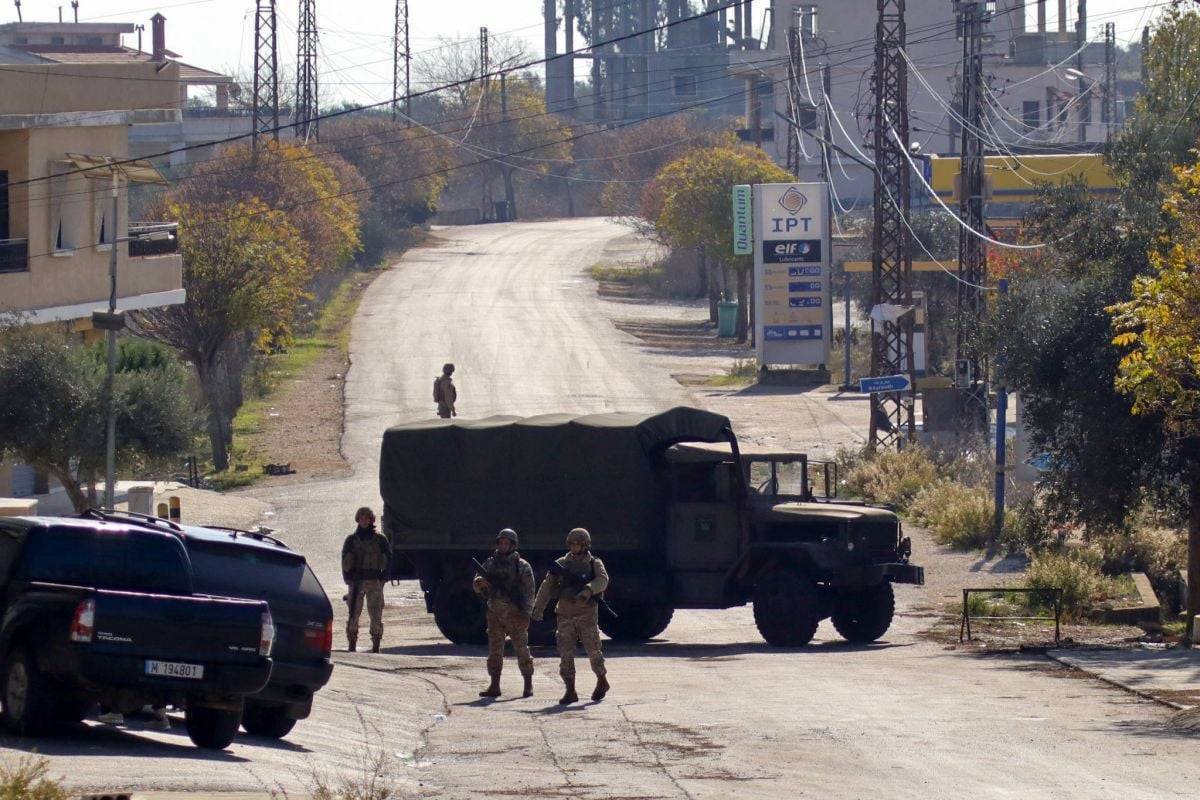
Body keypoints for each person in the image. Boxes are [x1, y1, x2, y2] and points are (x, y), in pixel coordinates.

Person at [532, 527, 610, 705]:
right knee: (565, 652)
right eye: (572, 544)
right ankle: (570, 690)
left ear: (585, 545)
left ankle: (602, 680)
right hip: (565, 613)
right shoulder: (561, 564)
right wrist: (538, 608)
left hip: (586, 614)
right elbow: (547, 586)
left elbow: (603, 580)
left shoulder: (594, 563)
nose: (575, 547)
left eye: (578, 544)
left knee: (593, 649)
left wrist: (588, 590)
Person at [472, 528, 536, 699]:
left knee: (521, 648)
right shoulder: (490, 564)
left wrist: (526, 614)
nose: (503, 546)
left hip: (515, 613)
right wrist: (480, 583)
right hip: (495, 612)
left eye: (506, 543)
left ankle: (528, 683)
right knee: (495, 650)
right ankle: (494, 685)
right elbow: (477, 583)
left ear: (513, 545)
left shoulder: (522, 566)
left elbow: (529, 592)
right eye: (500, 543)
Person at [341, 507, 390, 653]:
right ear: (358, 519)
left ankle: (376, 645)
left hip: (374, 580)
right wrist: (348, 579)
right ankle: (352, 643)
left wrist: (383, 579)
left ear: (371, 520)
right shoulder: (351, 540)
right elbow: (344, 560)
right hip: (356, 581)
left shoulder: (380, 539)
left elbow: (388, 559)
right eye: (361, 518)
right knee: (353, 614)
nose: (363, 521)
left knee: (376, 614)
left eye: (366, 518)